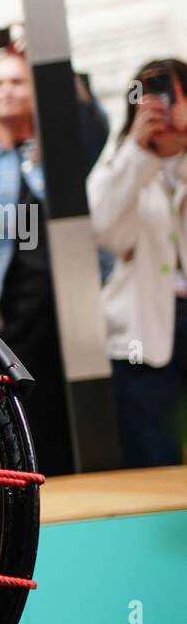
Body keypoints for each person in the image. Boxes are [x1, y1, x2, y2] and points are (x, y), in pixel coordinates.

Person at [0, 49, 110, 475]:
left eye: (18, 81)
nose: (8, 91)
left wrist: (50, 62)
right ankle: (35, 476)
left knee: (83, 389)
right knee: (26, 392)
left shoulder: (55, 148)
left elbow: (92, 127)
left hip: (75, 292)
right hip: (10, 298)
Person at [88, 59, 187, 467]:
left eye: (174, 98)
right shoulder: (118, 163)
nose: (162, 109)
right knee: (151, 454)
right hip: (139, 336)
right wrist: (137, 151)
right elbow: (105, 231)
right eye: (150, 100)